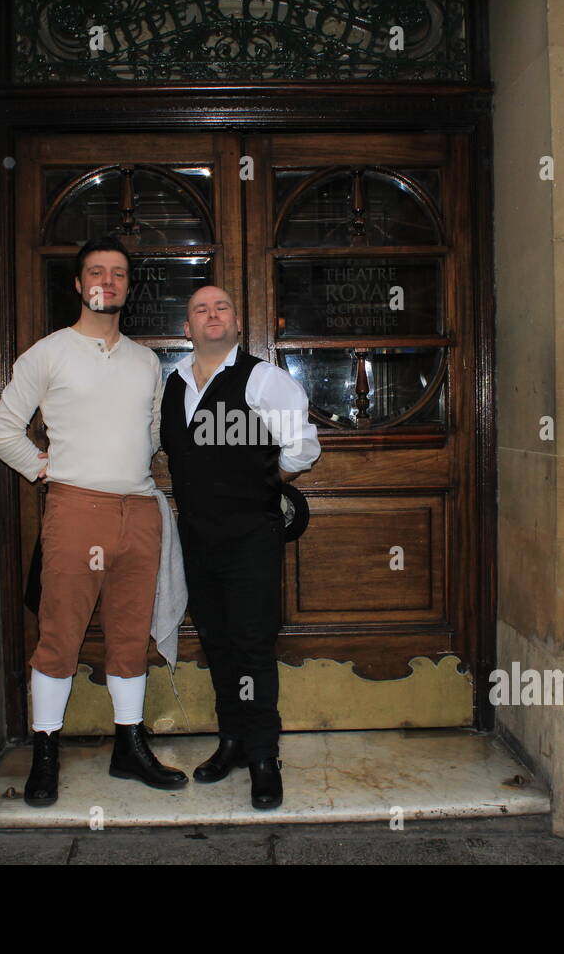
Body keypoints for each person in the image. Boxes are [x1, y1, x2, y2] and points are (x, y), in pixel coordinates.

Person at [0, 235, 187, 807]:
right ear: (78, 285)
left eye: (119, 273)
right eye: (96, 272)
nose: (108, 281)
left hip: (140, 510)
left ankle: (130, 745)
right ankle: (45, 753)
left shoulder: (147, 361)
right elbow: (2, 430)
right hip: (77, 509)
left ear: (128, 286)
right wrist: (44, 470)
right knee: (60, 634)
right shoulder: (47, 354)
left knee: (129, 634)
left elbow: (151, 436)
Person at [160, 285, 320, 809]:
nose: (211, 314)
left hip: (251, 535)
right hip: (197, 536)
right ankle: (230, 740)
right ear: (188, 327)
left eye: (221, 307)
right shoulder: (174, 383)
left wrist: (259, 481)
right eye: (200, 308)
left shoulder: (264, 379)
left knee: (251, 644)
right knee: (217, 641)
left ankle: (262, 755)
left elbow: (303, 447)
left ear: (235, 322)